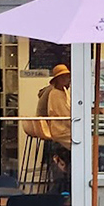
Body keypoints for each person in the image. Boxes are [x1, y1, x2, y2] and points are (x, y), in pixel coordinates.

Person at [36, 63, 71, 192]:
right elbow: (65, 116)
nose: (68, 80)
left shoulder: (60, 92)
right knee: (86, 145)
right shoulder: (56, 94)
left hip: (59, 130)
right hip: (61, 132)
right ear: (59, 79)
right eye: (65, 77)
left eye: (68, 77)